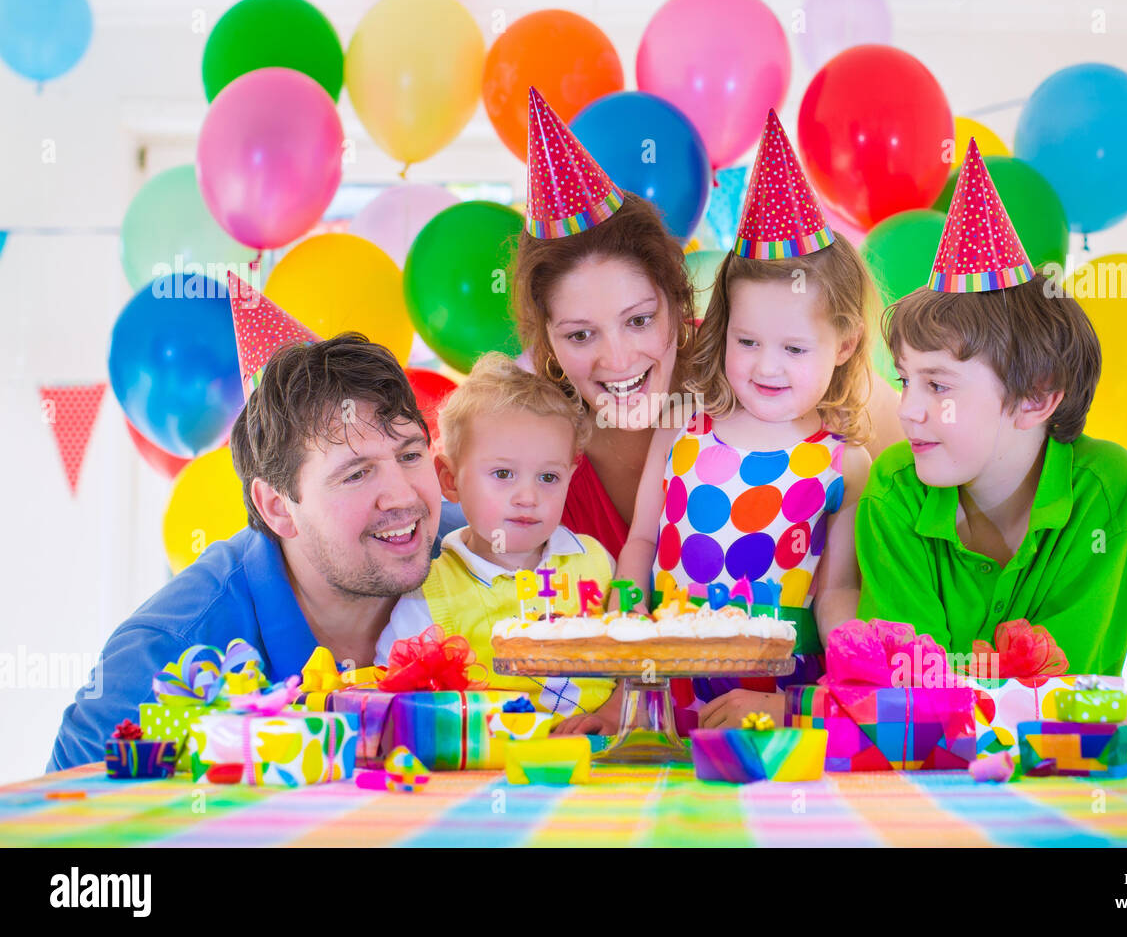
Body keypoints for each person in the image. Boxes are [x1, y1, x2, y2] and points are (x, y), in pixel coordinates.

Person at [853, 139, 1127, 751]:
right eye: (905, 379)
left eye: (937, 384)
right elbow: (912, 709)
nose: (908, 408)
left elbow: (1068, 697)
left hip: (1074, 780)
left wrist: (977, 686)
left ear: (1034, 397)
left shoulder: (1102, 487)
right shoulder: (894, 488)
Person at [510, 87, 903, 564]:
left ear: (679, 303)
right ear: (547, 338)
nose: (617, 359)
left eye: (639, 319)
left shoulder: (776, 372)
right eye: (579, 334)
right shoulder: (525, 442)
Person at [48, 322, 453, 770]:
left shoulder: (488, 552)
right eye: (356, 473)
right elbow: (62, 821)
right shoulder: (165, 660)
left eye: (410, 455)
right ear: (278, 507)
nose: (404, 497)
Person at [375, 353, 616, 720]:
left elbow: (640, 664)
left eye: (548, 477)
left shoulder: (597, 564)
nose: (528, 497)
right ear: (451, 480)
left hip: (611, 764)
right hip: (488, 765)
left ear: (570, 475)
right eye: (503, 474)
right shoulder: (433, 593)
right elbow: (392, 695)